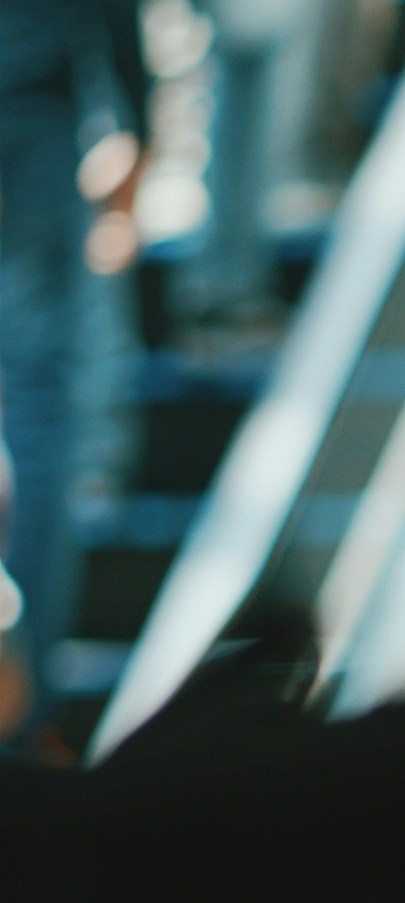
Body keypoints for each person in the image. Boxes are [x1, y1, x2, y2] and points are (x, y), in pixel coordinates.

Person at [0, 0, 147, 753]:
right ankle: (26, 695)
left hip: (39, 108)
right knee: (35, 403)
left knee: (34, 403)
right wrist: (137, 113)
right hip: (36, 103)